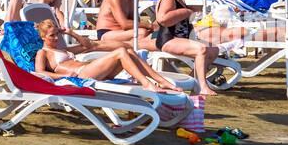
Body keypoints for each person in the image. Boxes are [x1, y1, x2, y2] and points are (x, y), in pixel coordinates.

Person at [32, 19, 183, 94]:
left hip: (91, 70)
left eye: (57, 34)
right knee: (121, 50)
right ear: (43, 37)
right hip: (81, 75)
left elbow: (87, 46)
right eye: (52, 36)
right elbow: (40, 73)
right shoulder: (43, 53)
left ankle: (161, 81)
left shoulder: (64, 50)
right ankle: (146, 83)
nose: (56, 38)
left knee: (129, 51)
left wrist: (71, 33)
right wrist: (62, 77)